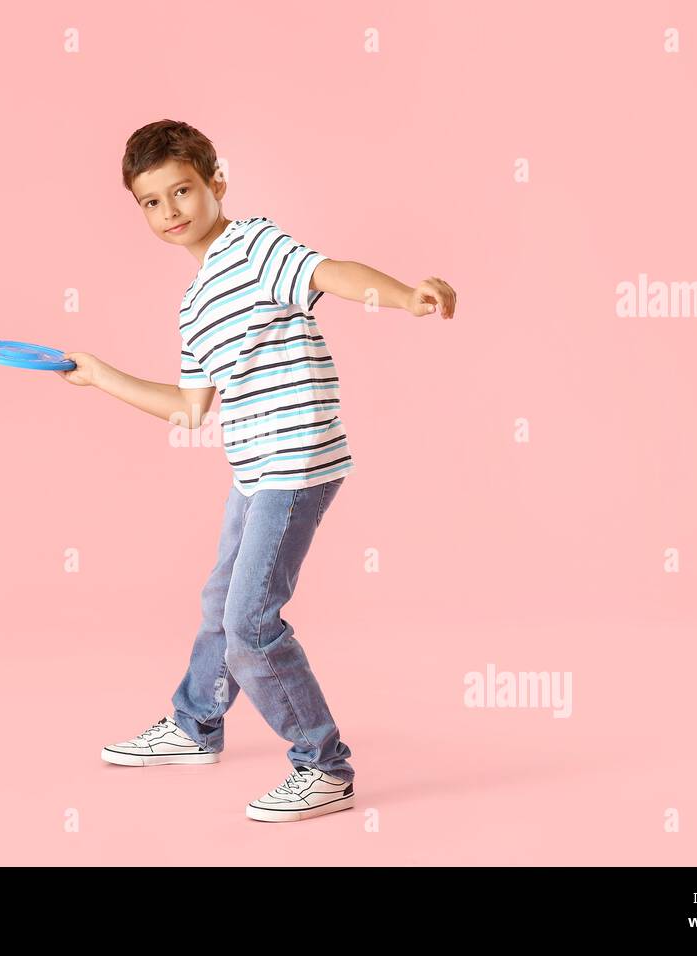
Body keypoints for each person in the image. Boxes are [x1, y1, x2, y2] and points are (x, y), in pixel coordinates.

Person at [55, 119, 456, 822]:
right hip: (252, 470)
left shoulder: (253, 244)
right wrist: (99, 376)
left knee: (249, 623)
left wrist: (403, 294)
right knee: (220, 607)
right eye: (151, 202)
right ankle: (194, 725)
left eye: (182, 190)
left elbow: (328, 273)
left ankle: (323, 765)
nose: (170, 211)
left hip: (295, 461)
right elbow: (188, 408)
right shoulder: (195, 303)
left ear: (217, 182)